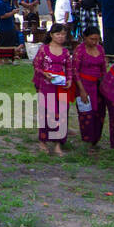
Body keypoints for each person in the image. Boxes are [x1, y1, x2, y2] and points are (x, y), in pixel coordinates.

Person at [33, 23, 73, 155]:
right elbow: (36, 65)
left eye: (63, 34)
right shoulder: (44, 49)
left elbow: (69, 69)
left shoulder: (66, 52)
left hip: (61, 86)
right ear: (51, 35)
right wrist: (44, 73)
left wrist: (69, 80)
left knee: (61, 113)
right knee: (47, 113)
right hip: (46, 85)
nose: (61, 37)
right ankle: (43, 141)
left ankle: (58, 144)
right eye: (58, 34)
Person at [71, 28, 107, 148]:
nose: (94, 42)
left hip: (98, 86)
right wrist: (81, 90)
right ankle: (87, 139)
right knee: (86, 113)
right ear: (85, 38)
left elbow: (103, 68)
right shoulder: (79, 50)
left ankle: (96, 139)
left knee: (100, 113)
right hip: (84, 85)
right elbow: (75, 71)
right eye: (92, 39)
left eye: (97, 39)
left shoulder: (100, 49)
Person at [0, 0, 20, 65]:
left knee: (9, 44)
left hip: (10, 26)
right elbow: (2, 16)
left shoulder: (7, 2)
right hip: (3, 28)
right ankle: (0, 60)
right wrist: (13, 12)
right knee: (2, 44)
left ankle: (7, 59)